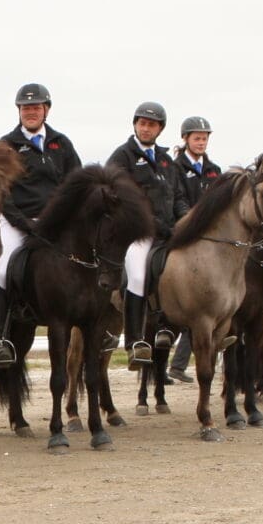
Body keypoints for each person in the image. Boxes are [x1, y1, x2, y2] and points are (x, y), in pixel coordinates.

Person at [0, 82, 84, 367]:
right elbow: (0, 189)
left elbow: (76, 184)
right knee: (3, 267)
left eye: (36, 107)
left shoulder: (62, 143)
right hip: (17, 221)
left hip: (55, 224)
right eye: (26, 108)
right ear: (19, 111)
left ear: (46, 110)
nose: (31, 112)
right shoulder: (6, 144)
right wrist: (22, 222)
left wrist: (63, 219)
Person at [107, 101, 183, 368]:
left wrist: (186, 220)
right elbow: (121, 199)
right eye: (142, 123)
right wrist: (155, 225)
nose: (146, 128)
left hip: (166, 232)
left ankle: (167, 328)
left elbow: (178, 197)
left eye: (152, 125)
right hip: (134, 233)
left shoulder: (165, 161)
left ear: (160, 129)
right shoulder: (122, 156)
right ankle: (134, 342)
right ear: (135, 125)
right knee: (138, 275)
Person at [165, 116, 220, 381]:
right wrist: (191, 221)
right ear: (186, 139)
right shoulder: (175, 168)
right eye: (197, 137)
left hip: (211, 236)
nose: (201, 141)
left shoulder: (213, 170)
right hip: (184, 230)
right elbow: (177, 198)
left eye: (204, 138)